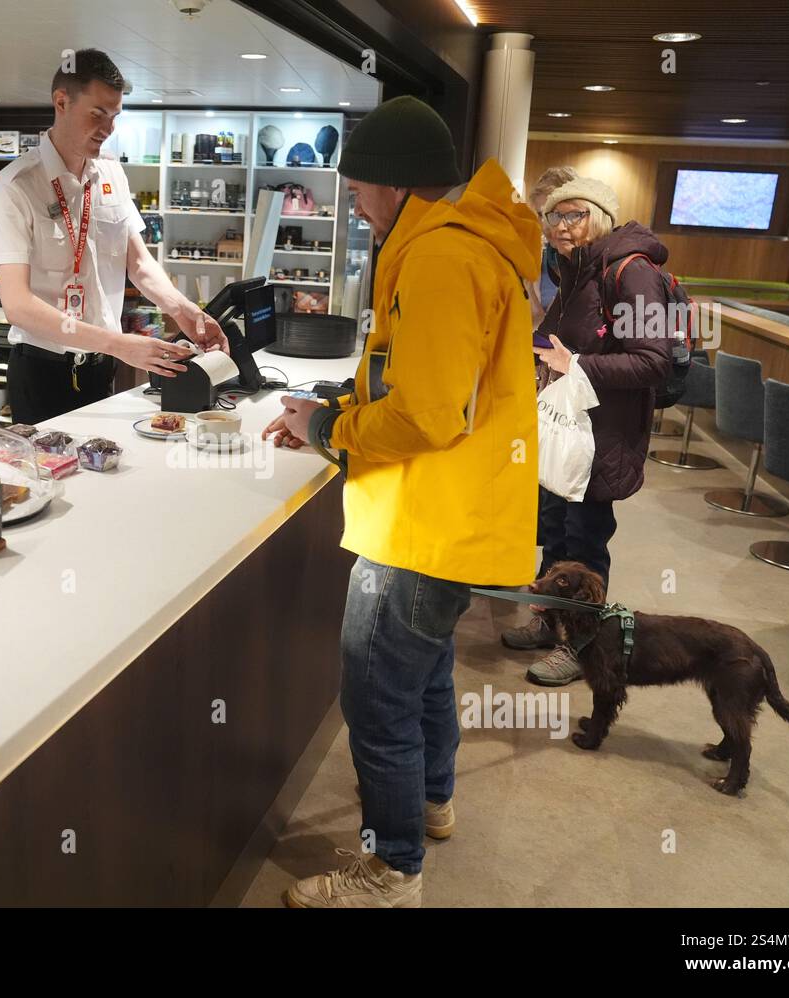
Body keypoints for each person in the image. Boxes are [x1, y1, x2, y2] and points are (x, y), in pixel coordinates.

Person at [262, 97, 541, 907]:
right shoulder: (461, 247)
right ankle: (432, 802)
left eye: (357, 187)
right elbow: (413, 382)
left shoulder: (441, 258)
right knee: (423, 680)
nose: (351, 200)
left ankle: (390, 872)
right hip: (453, 522)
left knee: (377, 698)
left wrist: (328, 428)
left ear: (394, 186)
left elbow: (425, 412)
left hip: (422, 526)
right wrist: (336, 417)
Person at [0, 48, 226, 424]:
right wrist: (118, 344)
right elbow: (17, 304)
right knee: (49, 478)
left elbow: (140, 264)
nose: (108, 128)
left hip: (101, 367)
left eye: (114, 116)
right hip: (42, 371)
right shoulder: (15, 187)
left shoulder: (111, 173)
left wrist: (186, 311)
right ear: (61, 102)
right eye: (97, 114)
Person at [503, 176, 673, 685]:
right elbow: (555, 339)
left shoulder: (632, 271)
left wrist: (575, 363)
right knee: (557, 532)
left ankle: (582, 646)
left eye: (573, 214)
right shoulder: (578, 270)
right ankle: (552, 621)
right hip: (565, 433)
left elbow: (653, 361)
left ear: (600, 215)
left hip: (602, 440)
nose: (560, 226)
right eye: (553, 217)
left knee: (585, 544)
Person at [526, 166, 577, 326]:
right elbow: (536, 325)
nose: (546, 224)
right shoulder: (539, 257)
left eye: (554, 213)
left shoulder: (600, 262)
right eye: (541, 215)